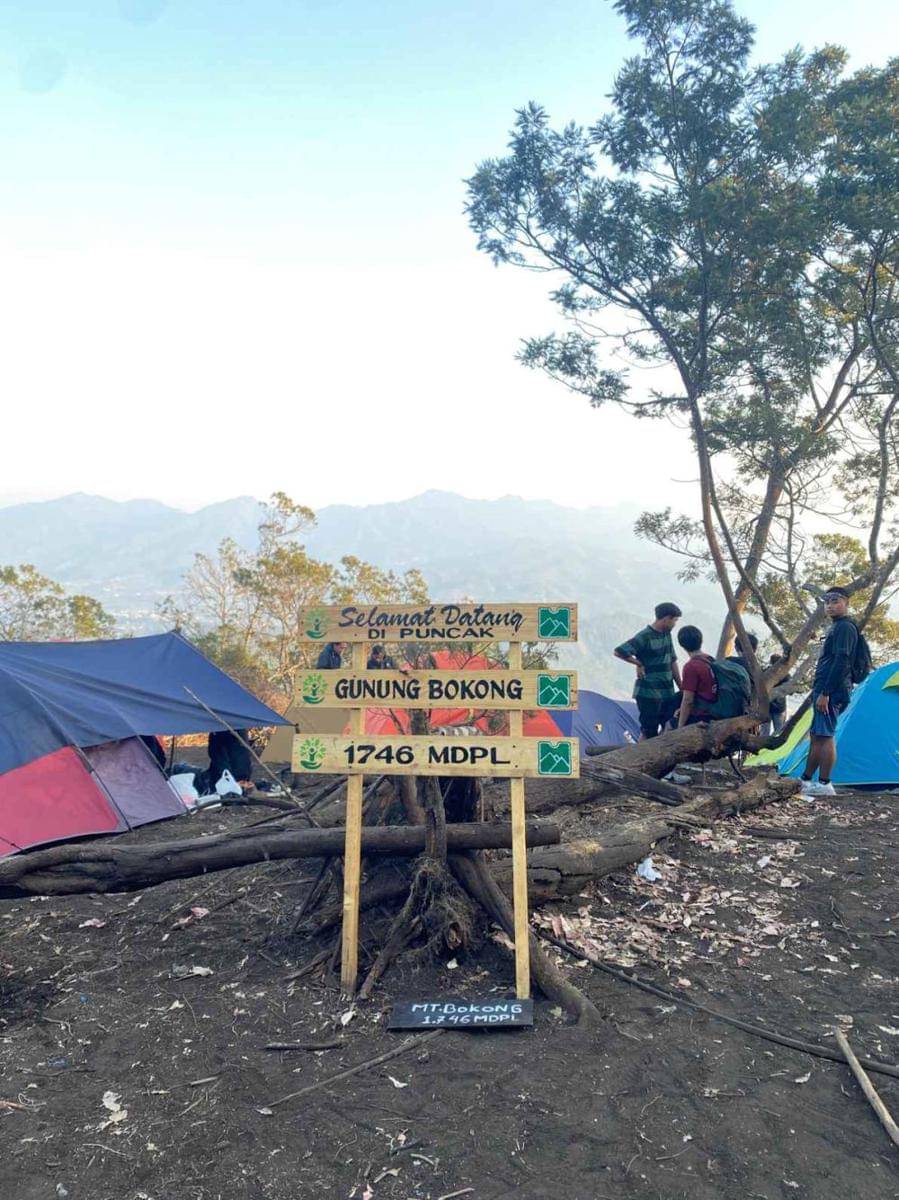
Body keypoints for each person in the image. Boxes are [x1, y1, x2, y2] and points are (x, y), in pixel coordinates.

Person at [800, 586, 858, 797]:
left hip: (831, 691)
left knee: (826, 736)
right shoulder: (837, 627)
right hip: (825, 689)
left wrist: (826, 692)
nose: (831, 605)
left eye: (836, 601)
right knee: (817, 735)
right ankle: (806, 780)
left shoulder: (845, 628)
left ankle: (825, 784)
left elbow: (842, 660)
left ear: (846, 603)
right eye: (827, 602)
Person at [614, 603, 683, 739]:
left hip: (667, 691)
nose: (675, 624)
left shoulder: (667, 635)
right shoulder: (644, 636)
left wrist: (681, 686)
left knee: (668, 727)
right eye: (674, 620)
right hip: (648, 693)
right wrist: (638, 663)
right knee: (648, 731)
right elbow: (619, 651)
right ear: (666, 619)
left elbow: (672, 660)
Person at [675, 626, 717, 726]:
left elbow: (688, 700)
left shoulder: (691, 667)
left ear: (682, 645)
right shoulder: (711, 660)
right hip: (715, 710)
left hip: (702, 715)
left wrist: (680, 726)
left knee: (669, 725)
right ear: (701, 640)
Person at [763, 653, 790, 737]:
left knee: (765, 731)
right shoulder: (785, 675)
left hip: (767, 706)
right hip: (778, 707)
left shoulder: (765, 672)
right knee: (779, 731)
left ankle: (763, 748)